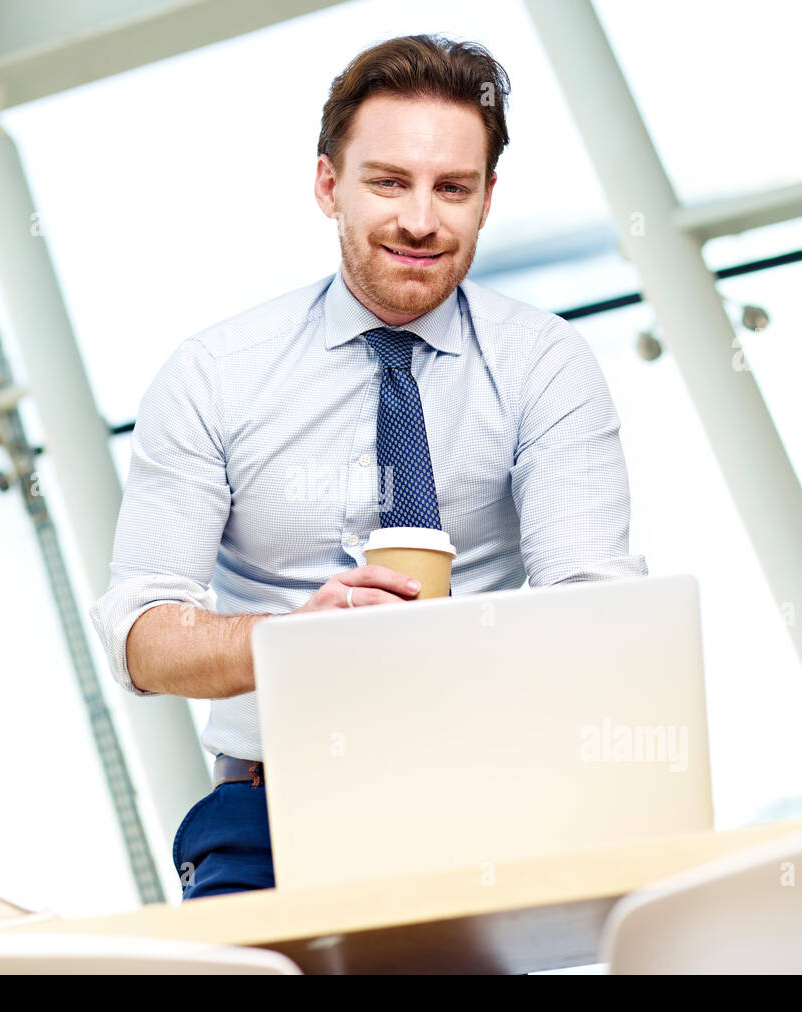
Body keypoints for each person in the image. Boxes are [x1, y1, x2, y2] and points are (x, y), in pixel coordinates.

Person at [88, 33, 648, 900]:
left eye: (451, 187)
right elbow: (143, 636)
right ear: (328, 186)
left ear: (487, 199)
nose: (421, 219)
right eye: (389, 181)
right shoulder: (214, 374)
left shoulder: (544, 365)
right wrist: (285, 645)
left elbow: (597, 609)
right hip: (266, 812)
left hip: (481, 799)